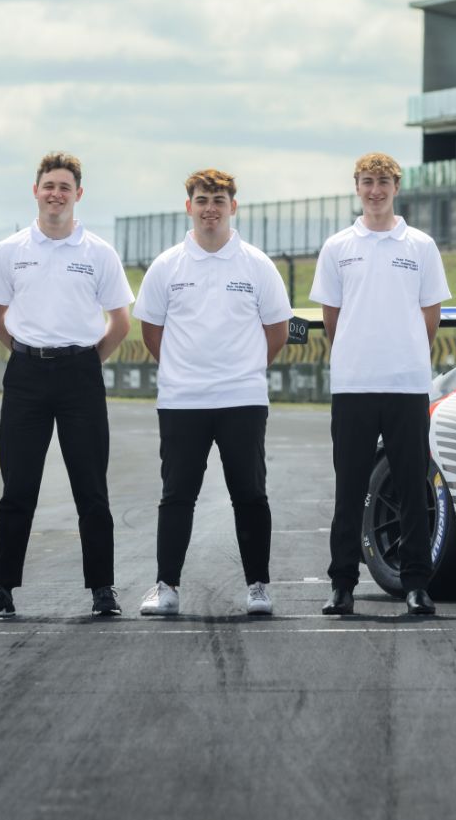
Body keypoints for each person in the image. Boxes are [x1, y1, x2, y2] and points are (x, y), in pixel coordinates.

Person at [0, 152, 133, 618]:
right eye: (49, 185)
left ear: (78, 195)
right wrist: (27, 352)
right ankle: (2, 588)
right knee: (18, 487)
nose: (56, 194)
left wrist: (86, 361)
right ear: (36, 190)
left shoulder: (98, 252)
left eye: (65, 187)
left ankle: (102, 589)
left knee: (91, 487)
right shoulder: (10, 250)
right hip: (25, 376)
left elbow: (120, 321)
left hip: (80, 375)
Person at [132, 169, 292, 617]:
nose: (210, 208)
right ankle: (166, 587)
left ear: (233, 207)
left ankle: (258, 586)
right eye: (202, 199)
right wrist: (186, 371)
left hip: (242, 399)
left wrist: (243, 370)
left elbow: (277, 331)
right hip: (183, 400)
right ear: (189, 206)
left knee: (250, 494)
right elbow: (151, 330)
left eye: (219, 200)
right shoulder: (167, 265)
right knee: (177, 495)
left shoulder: (256, 264)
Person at [310, 152, 450, 617]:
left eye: (384, 182)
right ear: (357, 186)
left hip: (408, 384)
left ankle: (415, 584)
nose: (375, 190)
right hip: (353, 386)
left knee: (413, 486)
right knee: (349, 487)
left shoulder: (421, 246)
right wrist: (360, 354)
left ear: (396, 187)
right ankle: (342, 585)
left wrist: (402, 354)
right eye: (368, 182)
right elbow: (332, 319)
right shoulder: (337, 247)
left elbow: (430, 318)